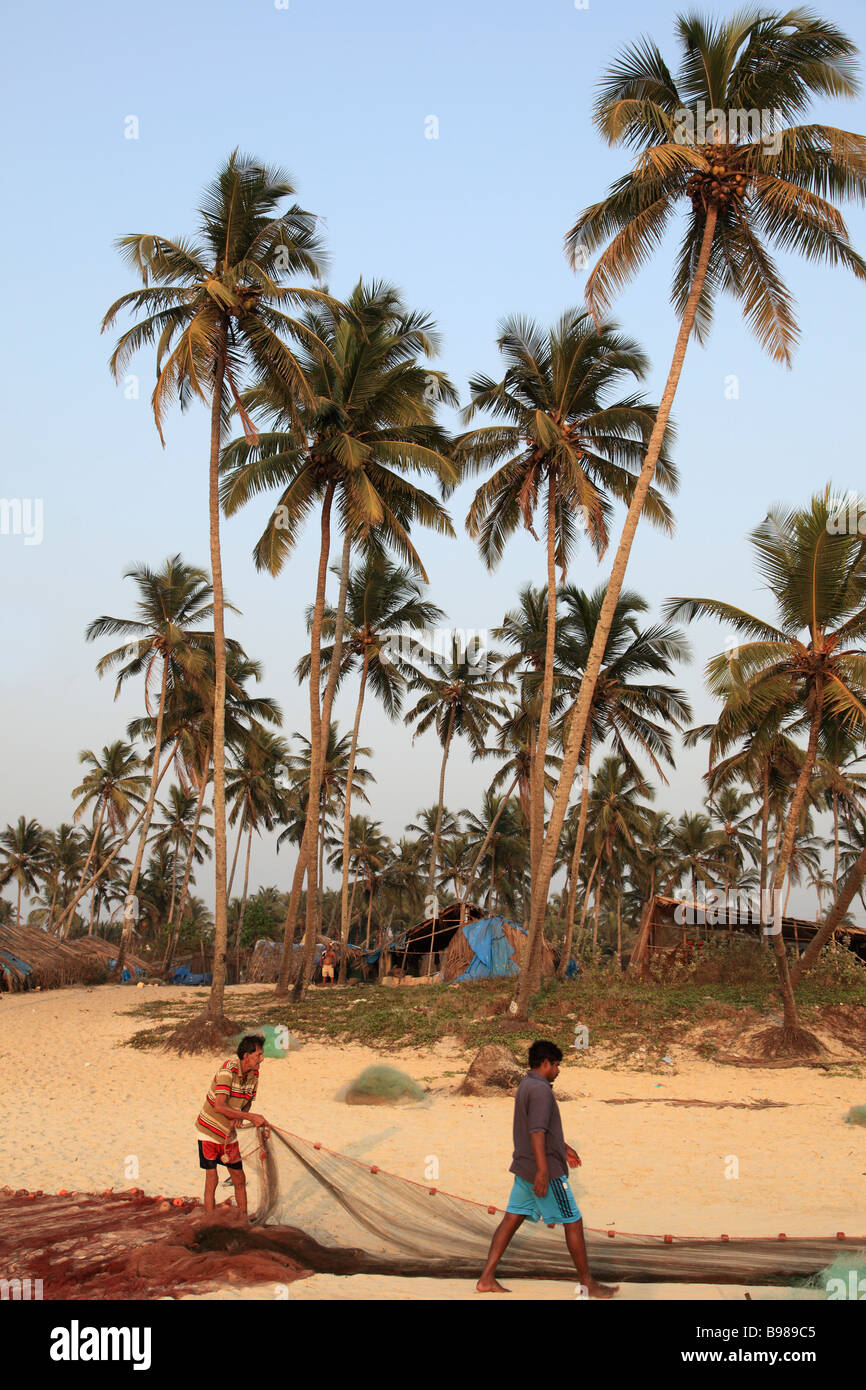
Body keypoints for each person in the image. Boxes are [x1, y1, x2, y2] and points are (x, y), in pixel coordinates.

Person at [476, 1038, 617, 1297]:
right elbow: (537, 1132)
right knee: (573, 1221)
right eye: (556, 1065)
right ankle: (588, 1283)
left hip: (524, 1167)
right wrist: (543, 1172)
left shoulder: (527, 1085)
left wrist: (562, 1146)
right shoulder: (541, 1090)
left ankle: (486, 1278)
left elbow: (539, 1127)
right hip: (545, 1171)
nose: (558, 1071)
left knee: (512, 1218)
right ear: (545, 1063)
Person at [196, 1034, 268, 1218]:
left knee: (239, 1178)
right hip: (209, 1131)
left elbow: (248, 1101)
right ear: (246, 1056)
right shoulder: (228, 1070)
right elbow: (219, 1106)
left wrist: (241, 1116)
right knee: (212, 1178)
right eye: (258, 1055)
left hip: (229, 1134)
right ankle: (210, 1220)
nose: (262, 1058)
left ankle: (243, 1218)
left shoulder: (254, 1074)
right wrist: (249, 1116)